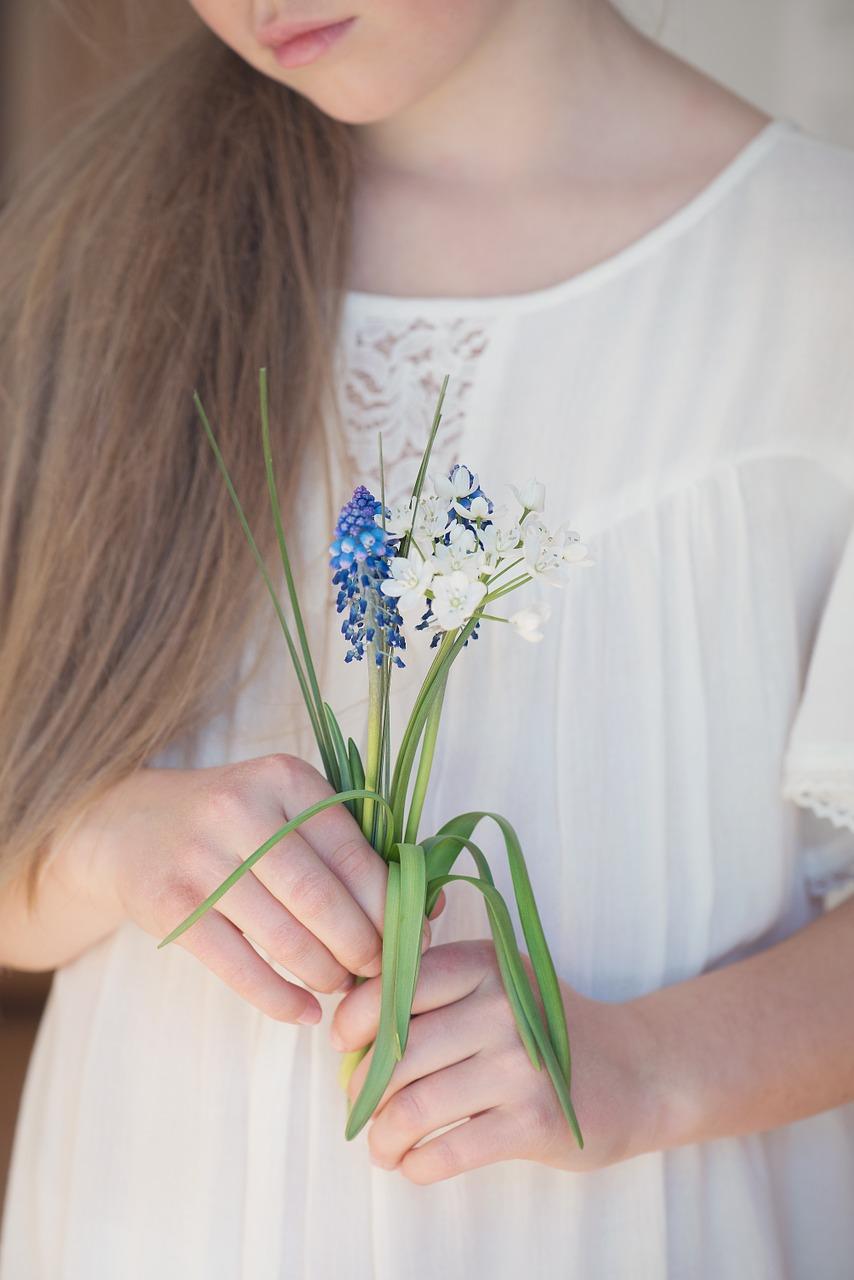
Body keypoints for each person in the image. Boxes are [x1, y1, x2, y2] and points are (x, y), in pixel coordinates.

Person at [1, 0, 853, 1275]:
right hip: (145, 1215)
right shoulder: (95, 245)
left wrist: (642, 1066)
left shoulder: (816, 274)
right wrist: (101, 841)